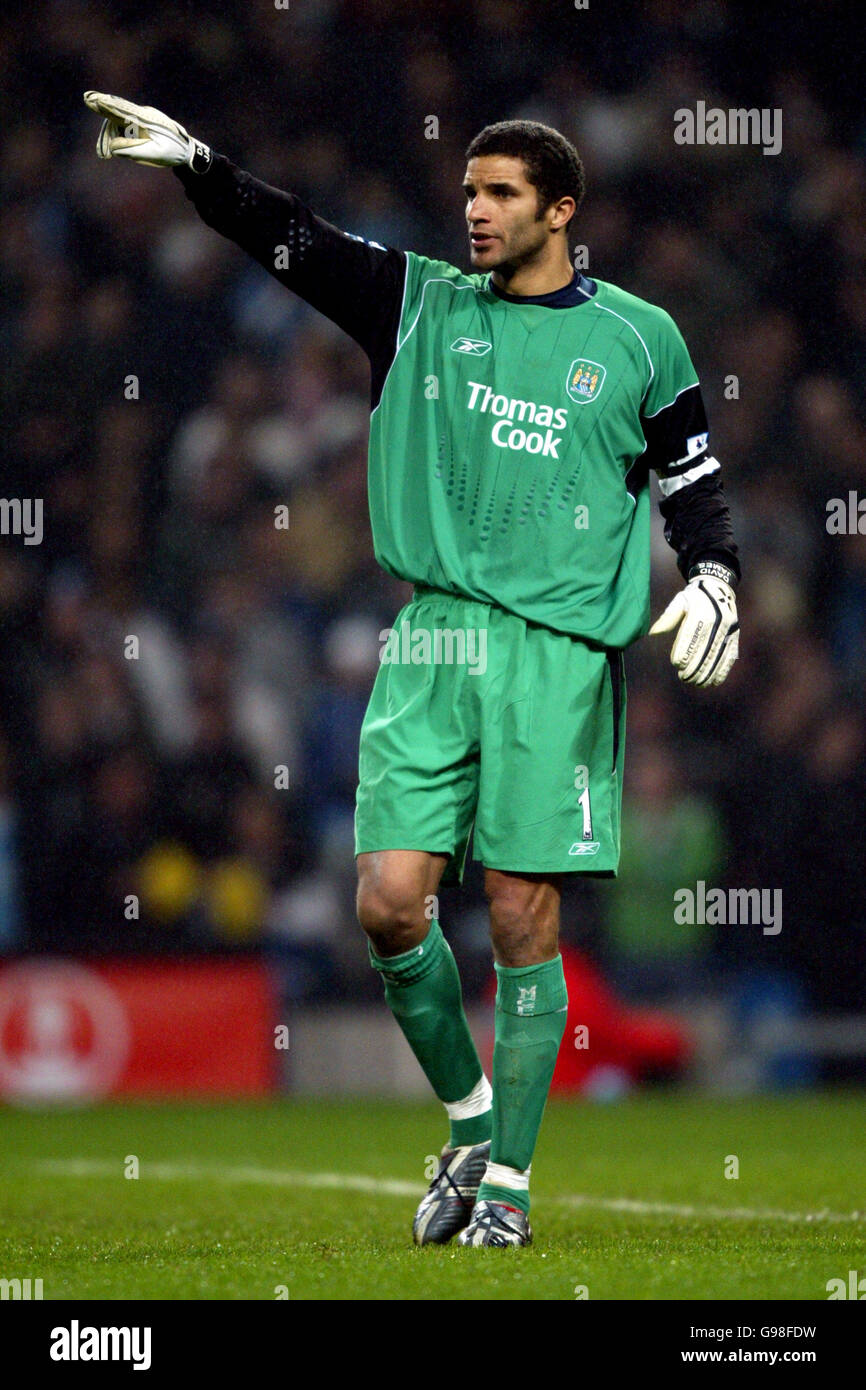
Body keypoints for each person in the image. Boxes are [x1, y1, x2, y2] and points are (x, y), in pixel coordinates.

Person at [83, 92, 740, 1247]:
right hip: (430, 639)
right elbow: (291, 241)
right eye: (470, 192)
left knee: (518, 913)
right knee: (389, 903)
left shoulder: (641, 340)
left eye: (499, 195)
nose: (474, 212)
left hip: (558, 655)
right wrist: (201, 166)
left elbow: (692, 486)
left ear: (560, 210)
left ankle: (509, 1194)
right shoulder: (422, 303)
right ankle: (469, 1119)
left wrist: (717, 576)